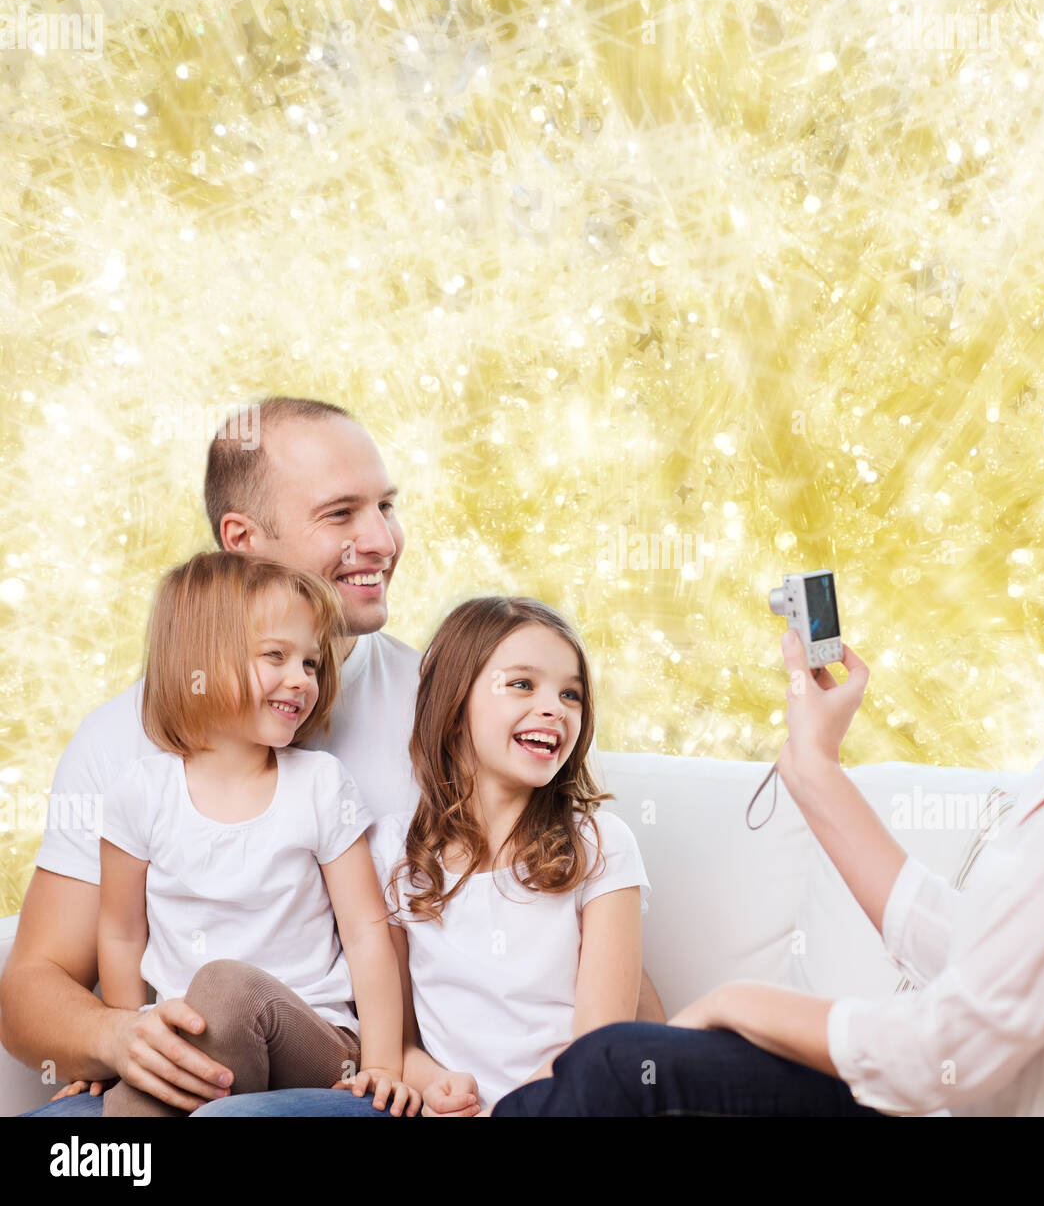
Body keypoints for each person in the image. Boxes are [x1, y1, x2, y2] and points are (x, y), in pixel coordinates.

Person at [492, 335, 1044, 1117]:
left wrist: (737, 1002)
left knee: (616, 1067)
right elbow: (991, 964)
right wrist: (814, 766)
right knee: (612, 1066)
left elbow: (944, 1050)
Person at [3, 397, 663, 1119]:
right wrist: (118, 1035)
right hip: (193, 1061)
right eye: (341, 513)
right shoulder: (124, 744)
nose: (382, 537)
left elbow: (577, 918)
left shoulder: (449, 709)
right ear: (241, 540)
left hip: (357, 1077)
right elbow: (33, 989)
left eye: (386, 505)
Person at [91, 552, 418, 1116]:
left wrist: (384, 1064)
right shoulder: (139, 793)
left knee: (225, 984)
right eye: (276, 656)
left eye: (311, 664)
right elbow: (120, 935)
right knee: (170, 1055)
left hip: (317, 1043)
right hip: (195, 1046)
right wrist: (127, 1048)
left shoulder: (319, 785)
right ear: (199, 660)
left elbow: (367, 933)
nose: (302, 679)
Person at [368, 597, 649, 1115]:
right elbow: (397, 1044)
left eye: (571, 694)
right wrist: (437, 1085)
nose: (554, 708)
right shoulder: (395, 853)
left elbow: (598, 1048)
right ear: (453, 707)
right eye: (522, 684)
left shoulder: (600, 846)